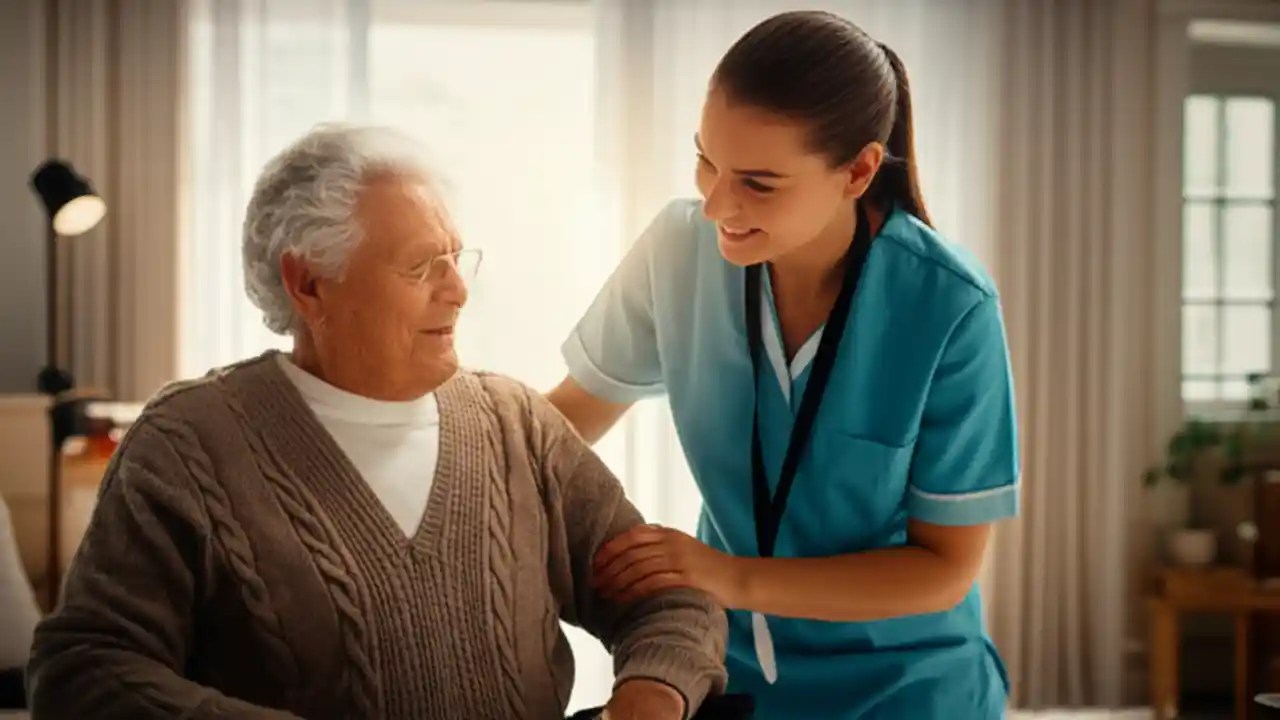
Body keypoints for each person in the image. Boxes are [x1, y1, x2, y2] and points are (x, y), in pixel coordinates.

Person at [26, 124, 729, 720]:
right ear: (307, 283)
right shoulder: (188, 444)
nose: (457, 290)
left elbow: (670, 600)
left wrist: (647, 701)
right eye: (423, 266)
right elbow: (85, 668)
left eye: (456, 258)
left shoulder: (518, 425)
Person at [548, 10, 1018, 720]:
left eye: (758, 183)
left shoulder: (949, 305)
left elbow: (944, 569)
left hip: (910, 686)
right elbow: (556, 430)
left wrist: (728, 577)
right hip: (733, 674)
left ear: (859, 170)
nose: (714, 204)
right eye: (705, 160)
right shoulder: (679, 251)